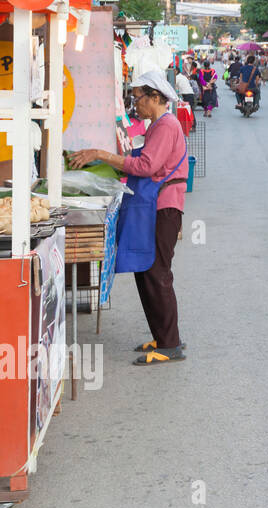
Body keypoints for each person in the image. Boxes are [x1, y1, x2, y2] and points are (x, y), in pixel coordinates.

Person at [70, 70, 188, 365]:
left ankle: (170, 343)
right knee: (146, 270)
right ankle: (162, 336)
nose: (136, 104)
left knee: (156, 272)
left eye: (138, 98)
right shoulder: (158, 125)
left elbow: (147, 166)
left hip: (163, 207)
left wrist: (102, 154)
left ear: (156, 97)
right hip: (157, 207)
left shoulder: (166, 125)